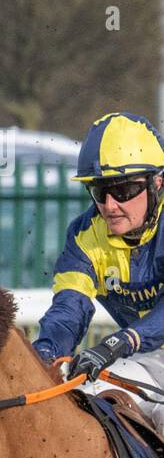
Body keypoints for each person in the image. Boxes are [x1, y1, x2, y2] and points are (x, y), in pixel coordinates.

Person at [33, 112, 164, 428]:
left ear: (157, 183)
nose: (109, 205)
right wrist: (43, 356)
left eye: (122, 190)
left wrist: (121, 341)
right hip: (147, 360)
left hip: (138, 349)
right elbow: (69, 309)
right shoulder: (84, 234)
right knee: (88, 400)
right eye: (99, 191)